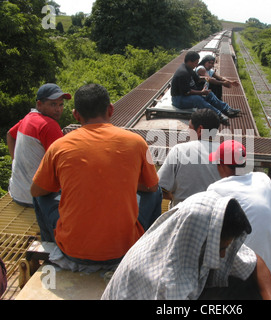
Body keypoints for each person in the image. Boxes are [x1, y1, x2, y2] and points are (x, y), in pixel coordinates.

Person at [30, 84, 161, 271]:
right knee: (155, 192)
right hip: (123, 250)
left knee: (40, 195)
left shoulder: (59, 146)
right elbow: (153, 187)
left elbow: (36, 190)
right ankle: (148, 248)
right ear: (111, 110)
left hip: (73, 251)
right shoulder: (137, 142)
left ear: (76, 115)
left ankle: (50, 245)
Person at [101, 191, 271, 300]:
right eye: (222, 249)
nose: (223, 255)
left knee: (246, 286)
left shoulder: (191, 238)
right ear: (200, 241)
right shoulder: (166, 282)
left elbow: (256, 264)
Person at [207, 140, 271, 275]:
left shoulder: (214, 189)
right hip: (267, 265)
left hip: (236, 267)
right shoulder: (263, 178)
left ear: (221, 165)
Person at [7, 83, 71, 207]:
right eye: (53, 104)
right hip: (36, 199)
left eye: (61, 104)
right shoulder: (49, 126)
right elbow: (64, 164)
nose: (58, 109)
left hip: (16, 192)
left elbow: (10, 135)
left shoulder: (28, 118)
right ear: (39, 104)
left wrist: (15, 162)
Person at [157, 109, 221, 207]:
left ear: (199, 130)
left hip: (182, 214)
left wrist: (174, 197)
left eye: (190, 127)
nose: (187, 131)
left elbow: (159, 187)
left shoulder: (179, 150)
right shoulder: (226, 153)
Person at [171, 51, 241, 126]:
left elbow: (198, 79)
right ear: (189, 61)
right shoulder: (182, 73)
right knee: (197, 99)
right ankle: (218, 115)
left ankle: (227, 109)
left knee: (209, 94)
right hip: (179, 99)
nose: (197, 64)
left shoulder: (189, 68)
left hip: (186, 95)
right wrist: (202, 92)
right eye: (195, 62)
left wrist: (206, 80)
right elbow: (187, 92)